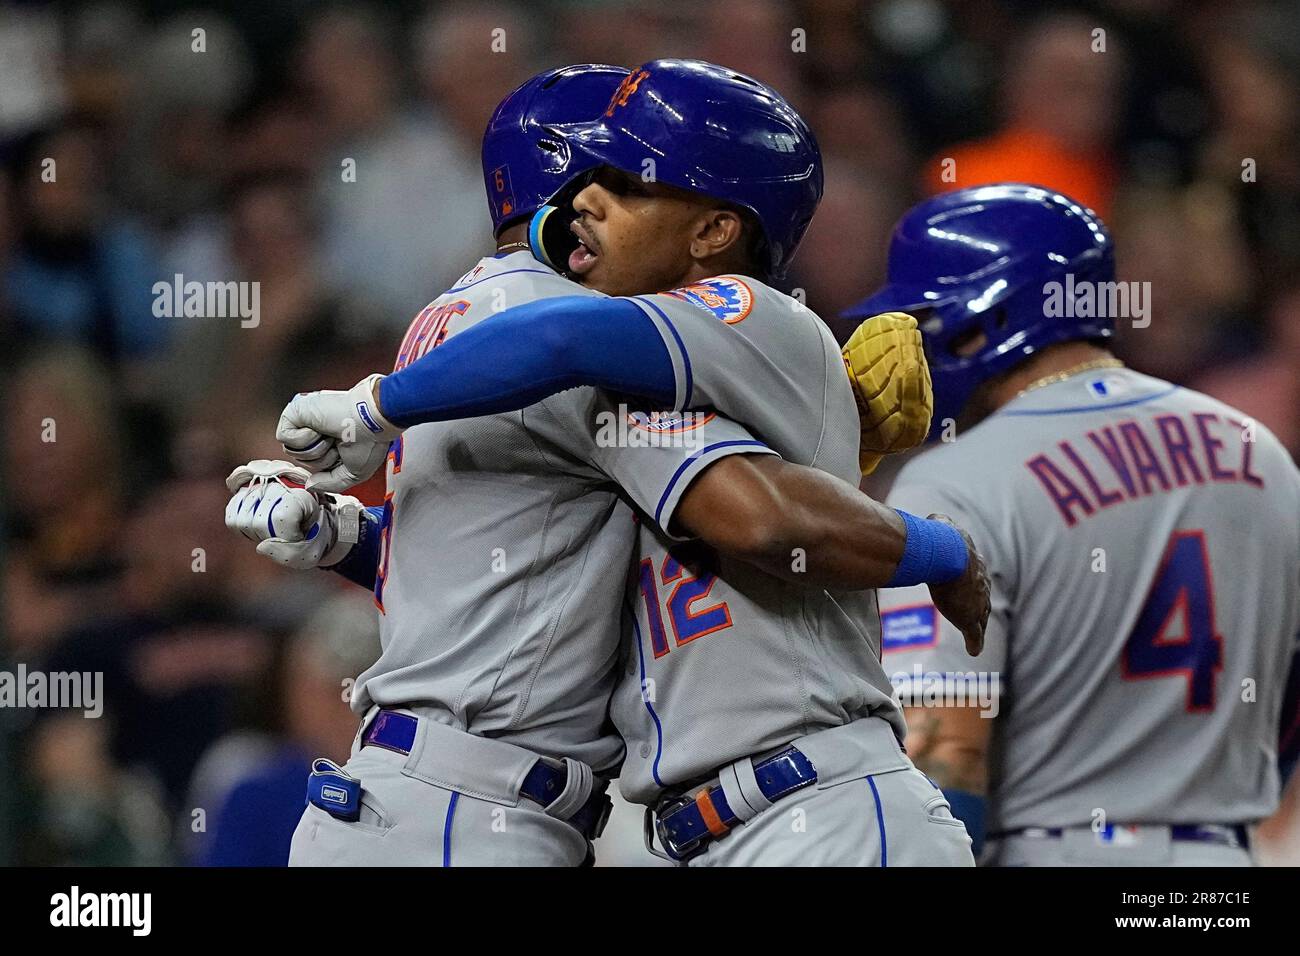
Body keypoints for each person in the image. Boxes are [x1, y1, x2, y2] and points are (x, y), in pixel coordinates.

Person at [270, 60, 989, 866]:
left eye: (628, 182)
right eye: (590, 176)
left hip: (818, 808)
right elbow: (520, 579)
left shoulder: (726, 309)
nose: (588, 199)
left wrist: (378, 409)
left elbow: (758, 515)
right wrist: (357, 535)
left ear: (715, 231)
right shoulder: (572, 351)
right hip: (666, 820)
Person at [846, 183, 1300, 866]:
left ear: (984, 321)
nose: (912, 342)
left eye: (924, 315)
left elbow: (947, 754)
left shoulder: (960, 478)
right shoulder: (1256, 450)